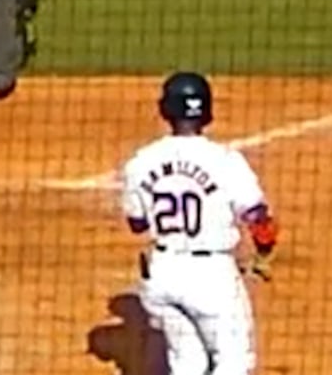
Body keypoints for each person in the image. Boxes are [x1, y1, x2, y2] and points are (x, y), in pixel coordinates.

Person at [119, 72, 279, 374]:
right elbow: (258, 218)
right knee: (233, 363)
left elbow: (137, 223)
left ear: (165, 110)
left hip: (161, 274)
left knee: (187, 364)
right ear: (206, 111)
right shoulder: (225, 161)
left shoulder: (140, 162)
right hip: (211, 278)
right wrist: (264, 251)